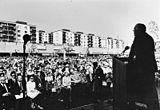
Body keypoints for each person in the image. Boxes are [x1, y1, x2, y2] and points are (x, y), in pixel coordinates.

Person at [127, 23, 159, 110]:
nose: (133, 32)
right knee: (150, 88)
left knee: (144, 88)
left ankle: (142, 104)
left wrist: (130, 63)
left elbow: (133, 51)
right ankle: (152, 105)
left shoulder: (140, 38)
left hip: (142, 69)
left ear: (139, 31)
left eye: (135, 30)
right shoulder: (149, 38)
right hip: (148, 68)